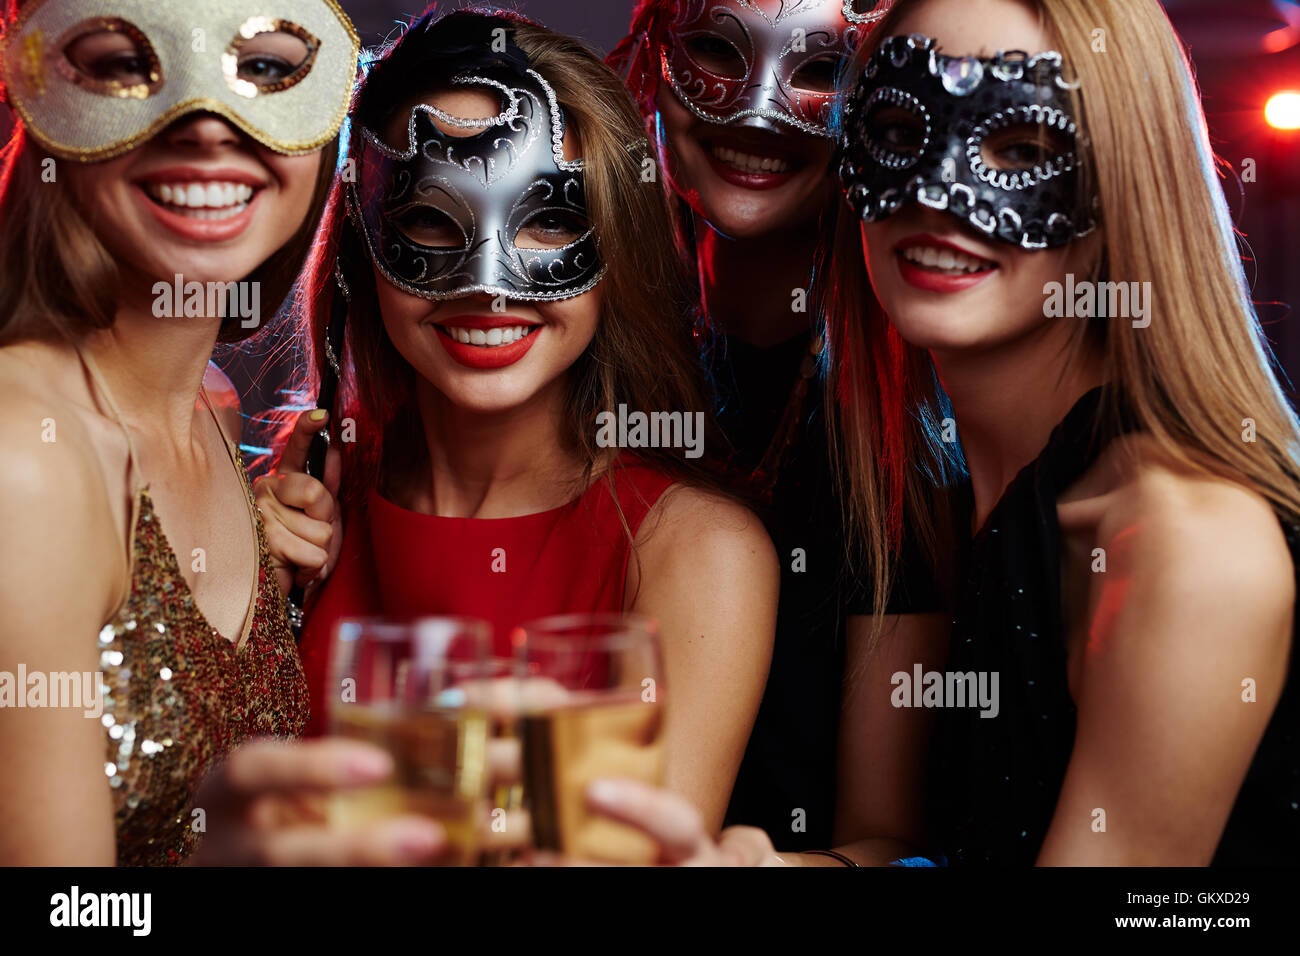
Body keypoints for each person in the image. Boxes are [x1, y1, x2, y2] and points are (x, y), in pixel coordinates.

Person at [598, 0, 1300, 866]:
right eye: (899, 127)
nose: (938, 191)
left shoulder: (1177, 542)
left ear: (1127, 178)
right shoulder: (990, 495)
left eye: (1020, 151)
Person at [255, 9, 779, 834]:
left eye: (549, 219)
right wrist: (241, 602)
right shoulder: (309, 505)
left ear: (616, 243)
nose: (487, 285)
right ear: (365, 241)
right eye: (430, 219)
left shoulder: (696, 554)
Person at [0, 0, 453, 867]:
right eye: (121, 61)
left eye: (271, 67)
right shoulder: (27, 452)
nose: (208, 126)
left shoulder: (213, 409)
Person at [606, 0, 951, 852]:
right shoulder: (570, 356)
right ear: (654, 57)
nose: (759, 111)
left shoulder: (904, 434)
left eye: (822, 69)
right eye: (718, 50)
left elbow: (887, 839)